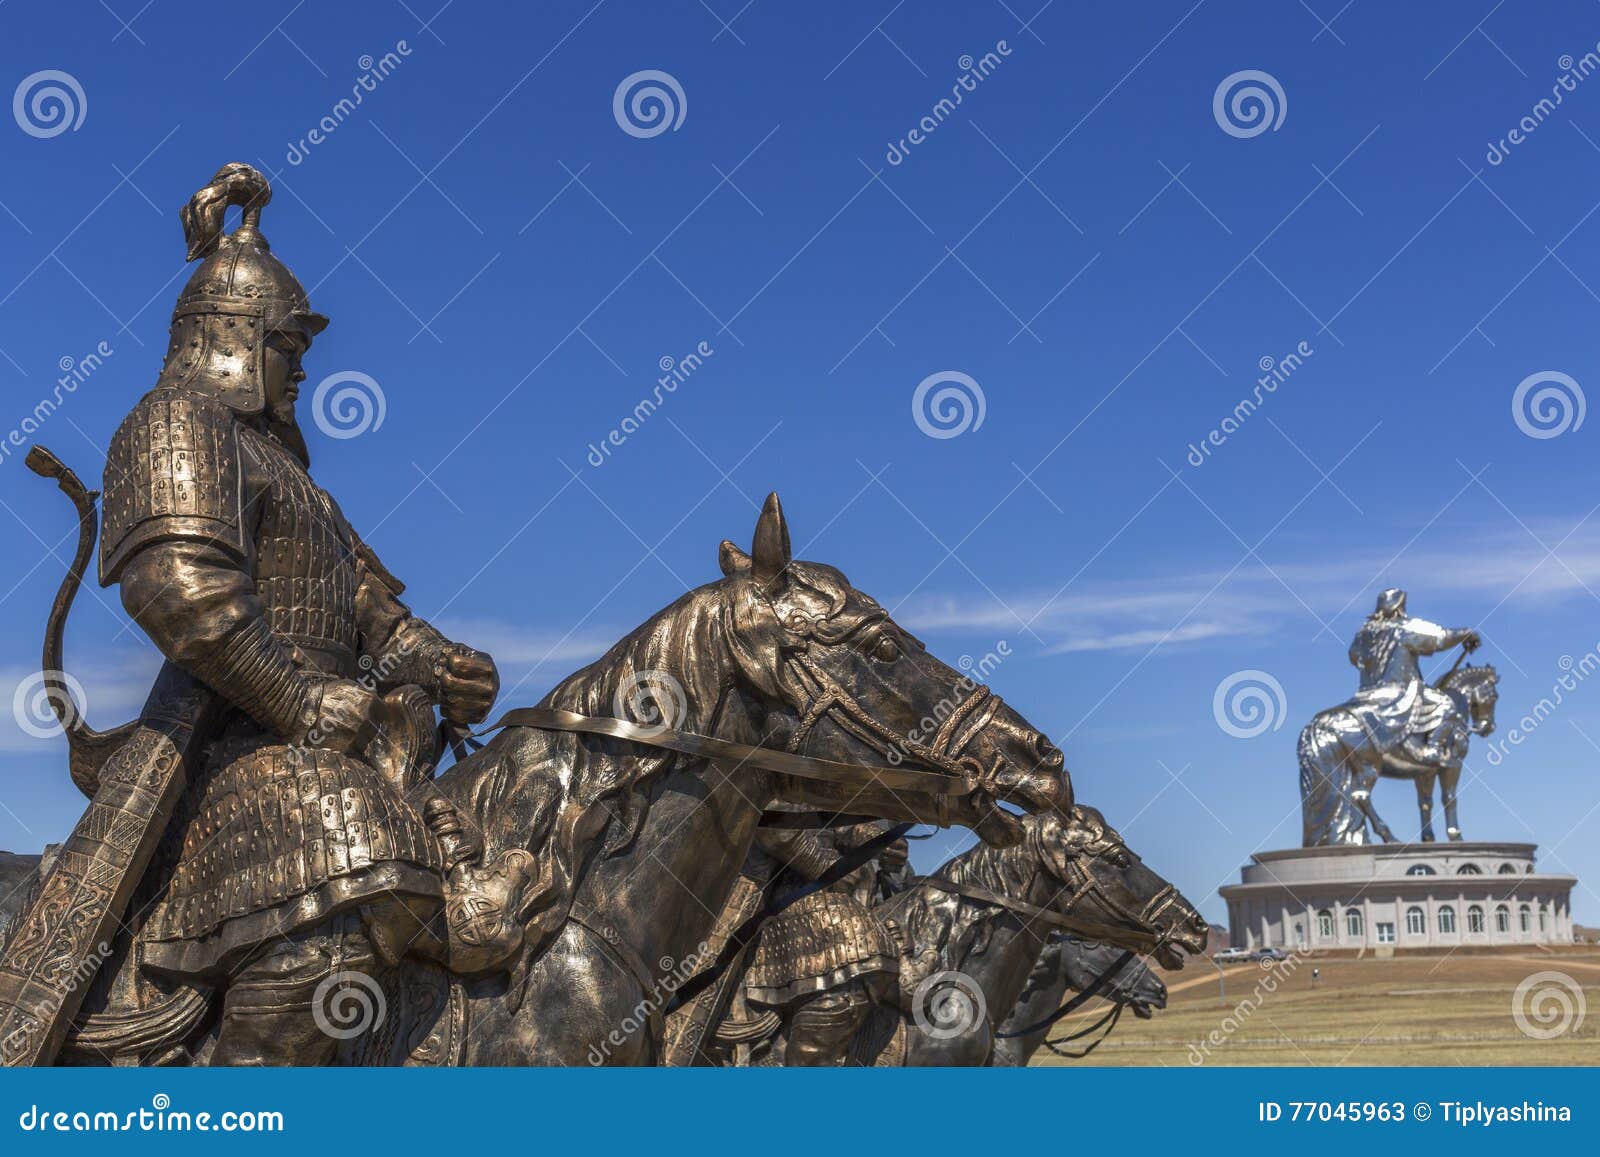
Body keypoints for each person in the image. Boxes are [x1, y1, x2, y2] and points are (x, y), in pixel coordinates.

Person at [100, 164, 499, 1064]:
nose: (305, 367)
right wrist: (297, 698)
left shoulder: (302, 488)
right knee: (341, 869)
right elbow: (179, 589)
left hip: (346, 745)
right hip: (237, 745)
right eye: (291, 346)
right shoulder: (176, 425)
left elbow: (375, 619)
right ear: (235, 338)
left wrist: (441, 665)